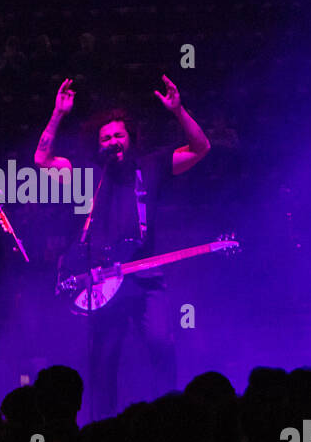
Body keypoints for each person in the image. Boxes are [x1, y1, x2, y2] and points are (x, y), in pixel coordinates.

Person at [34, 76, 210, 419]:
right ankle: (102, 426)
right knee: (103, 360)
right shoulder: (85, 173)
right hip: (101, 279)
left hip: (145, 277)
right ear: (97, 144)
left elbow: (201, 147)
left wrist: (178, 110)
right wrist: (58, 114)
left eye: (119, 135)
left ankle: (170, 420)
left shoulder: (152, 166)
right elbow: (41, 160)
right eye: (106, 137)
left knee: (162, 344)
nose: (113, 141)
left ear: (130, 139)